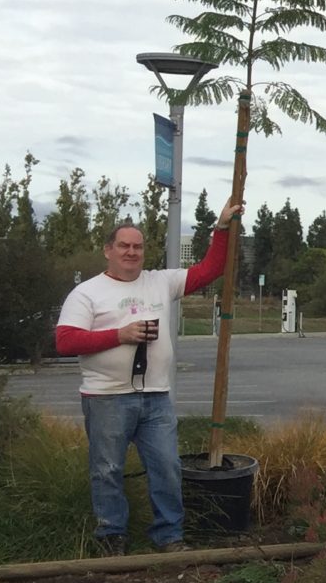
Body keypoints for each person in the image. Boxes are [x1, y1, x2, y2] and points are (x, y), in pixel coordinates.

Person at [55, 198, 244, 553]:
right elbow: (65, 341)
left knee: (167, 467)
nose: (131, 252)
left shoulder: (161, 282)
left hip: (156, 395)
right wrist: (119, 335)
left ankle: (168, 536)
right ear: (107, 251)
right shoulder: (87, 293)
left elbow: (210, 269)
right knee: (107, 469)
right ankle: (112, 535)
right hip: (106, 396)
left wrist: (220, 228)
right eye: (124, 246)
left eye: (137, 246)